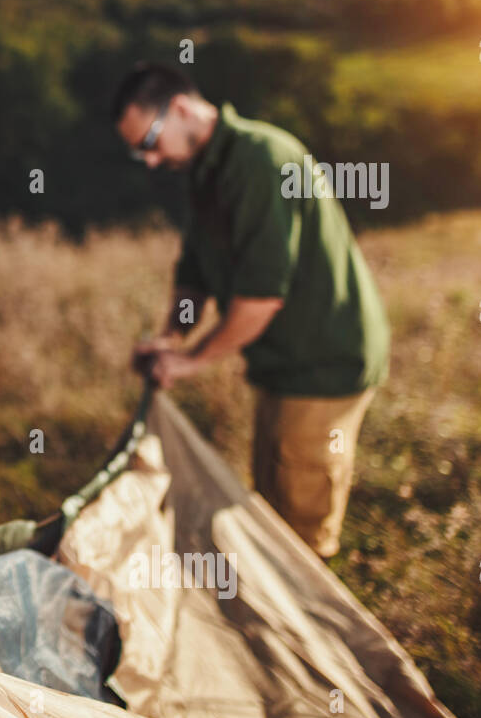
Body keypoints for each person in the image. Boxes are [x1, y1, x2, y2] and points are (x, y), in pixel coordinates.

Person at [113, 62, 390, 561]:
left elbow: (261, 300)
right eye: (139, 153)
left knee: (301, 532)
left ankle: (310, 629)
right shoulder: (206, 171)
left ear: (182, 108)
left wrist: (194, 361)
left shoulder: (260, 161)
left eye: (151, 141)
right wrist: (171, 338)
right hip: (279, 366)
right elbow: (195, 272)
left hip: (324, 365)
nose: (150, 160)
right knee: (271, 502)